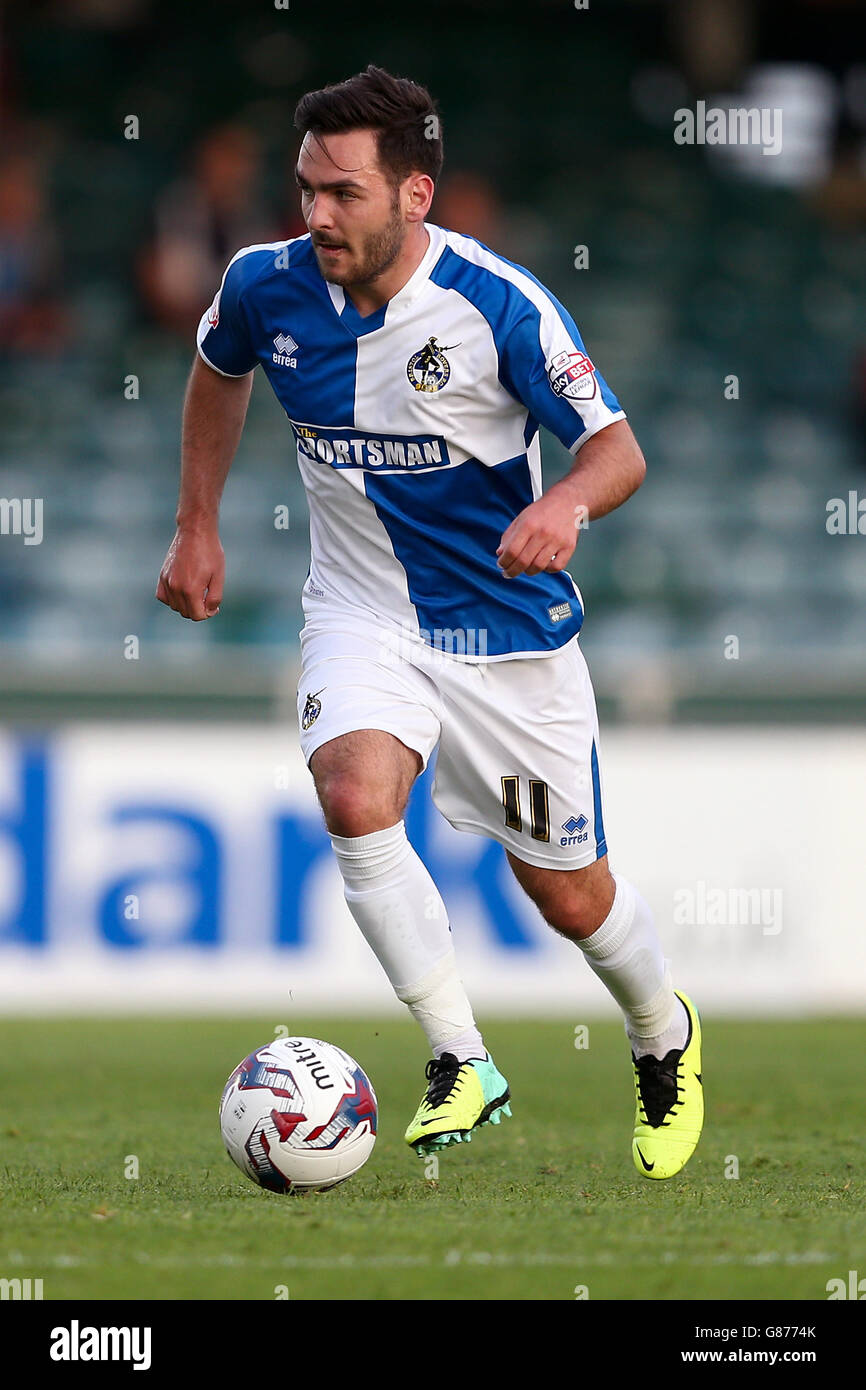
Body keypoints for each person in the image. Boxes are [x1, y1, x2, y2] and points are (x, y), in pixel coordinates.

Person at [157, 65, 704, 1180]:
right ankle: (460, 1055)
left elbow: (618, 449)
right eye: (304, 186)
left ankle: (663, 1035)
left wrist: (561, 501)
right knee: (355, 794)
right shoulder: (265, 285)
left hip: (504, 638)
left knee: (567, 893)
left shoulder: (500, 305)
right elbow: (216, 372)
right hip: (362, 613)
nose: (315, 214)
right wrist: (195, 525)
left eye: (342, 192)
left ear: (415, 193)